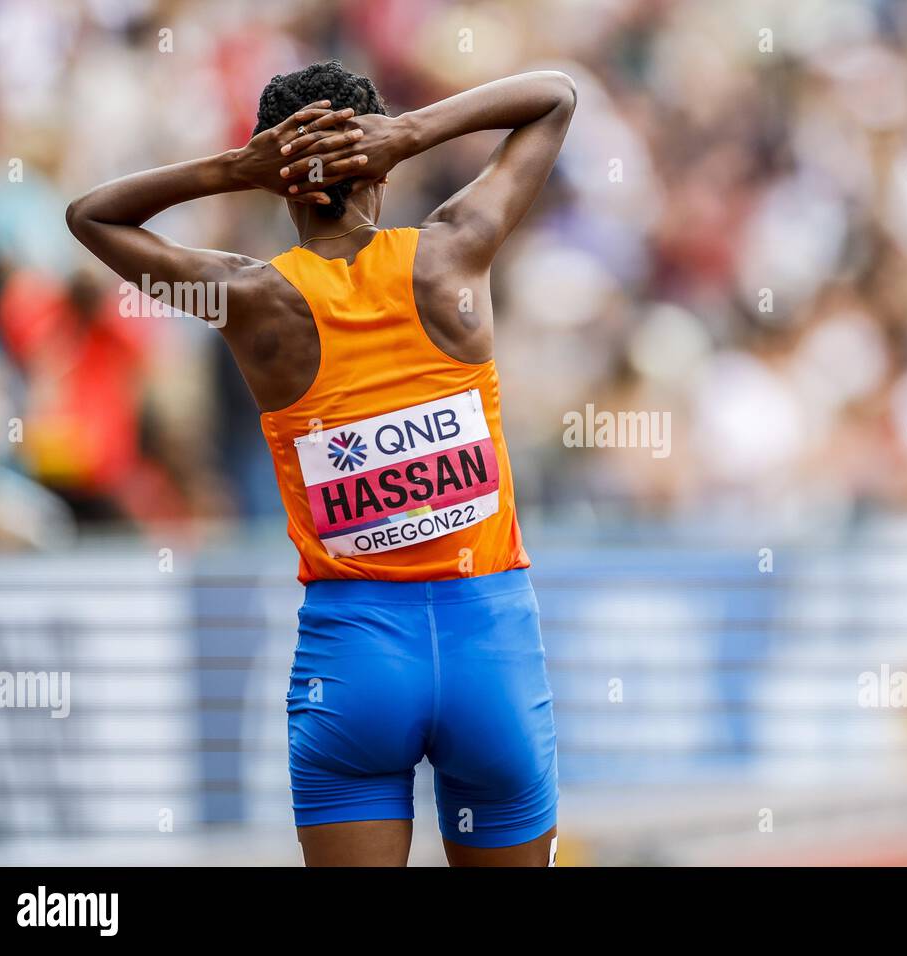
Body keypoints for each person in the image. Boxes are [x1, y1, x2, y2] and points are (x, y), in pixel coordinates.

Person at [67, 62, 576, 866]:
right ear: (375, 168)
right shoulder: (452, 257)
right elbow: (554, 96)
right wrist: (407, 135)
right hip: (492, 648)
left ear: (281, 184)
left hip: (354, 661)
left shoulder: (248, 299)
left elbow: (91, 217)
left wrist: (233, 169)